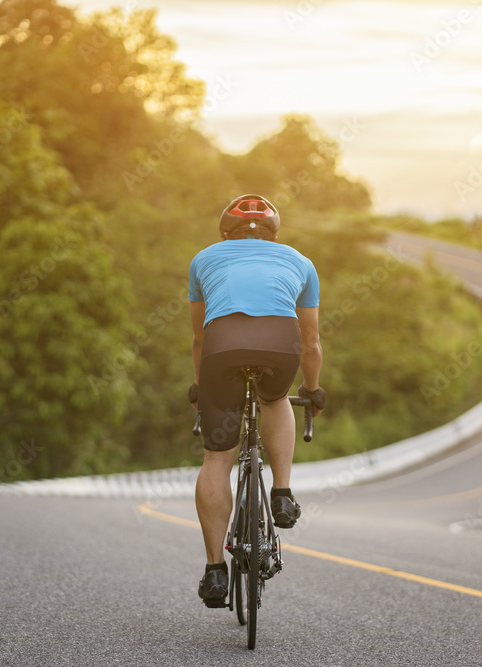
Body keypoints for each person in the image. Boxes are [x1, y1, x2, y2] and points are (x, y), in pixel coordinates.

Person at [188, 194, 326, 608]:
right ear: (274, 233)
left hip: (222, 347)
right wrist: (312, 389)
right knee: (276, 397)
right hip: (280, 345)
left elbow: (199, 337)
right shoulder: (300, 261)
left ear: (224, 232)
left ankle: (215, 570)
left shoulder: (203, 259)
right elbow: (311, 342)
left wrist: (201, 388)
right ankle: (281, 492)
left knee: (217, 459)